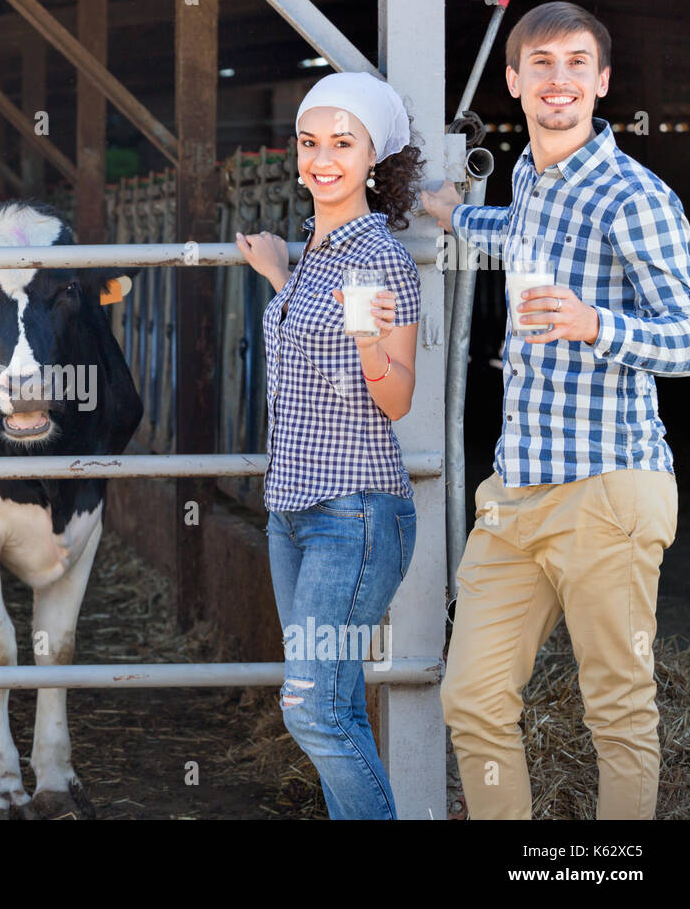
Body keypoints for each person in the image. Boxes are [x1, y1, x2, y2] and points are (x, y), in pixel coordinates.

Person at [422, 1, 690, 820]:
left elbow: (687, 337)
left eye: (578, 63)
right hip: (518, 496)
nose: (559, 78)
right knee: (470, 697)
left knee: (616, 711)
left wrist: (595, 324)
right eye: (541, 64)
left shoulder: (635, 197)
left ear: (602, 82)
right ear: (514, 82)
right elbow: (524, 233)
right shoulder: (531, 180)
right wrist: (454, 215)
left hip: (609, 487)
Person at [237, 71, 425, 819]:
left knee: (311, 711)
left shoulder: (383, 261)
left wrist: (369, 338)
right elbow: (306, 332)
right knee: (335, 710)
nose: (323, 159)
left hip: (352, 515)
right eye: (311, 143)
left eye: (342, 144)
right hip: (291, 515)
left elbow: (398, 399)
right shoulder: (314, 252)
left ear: (372, 158)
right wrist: (280, 272)